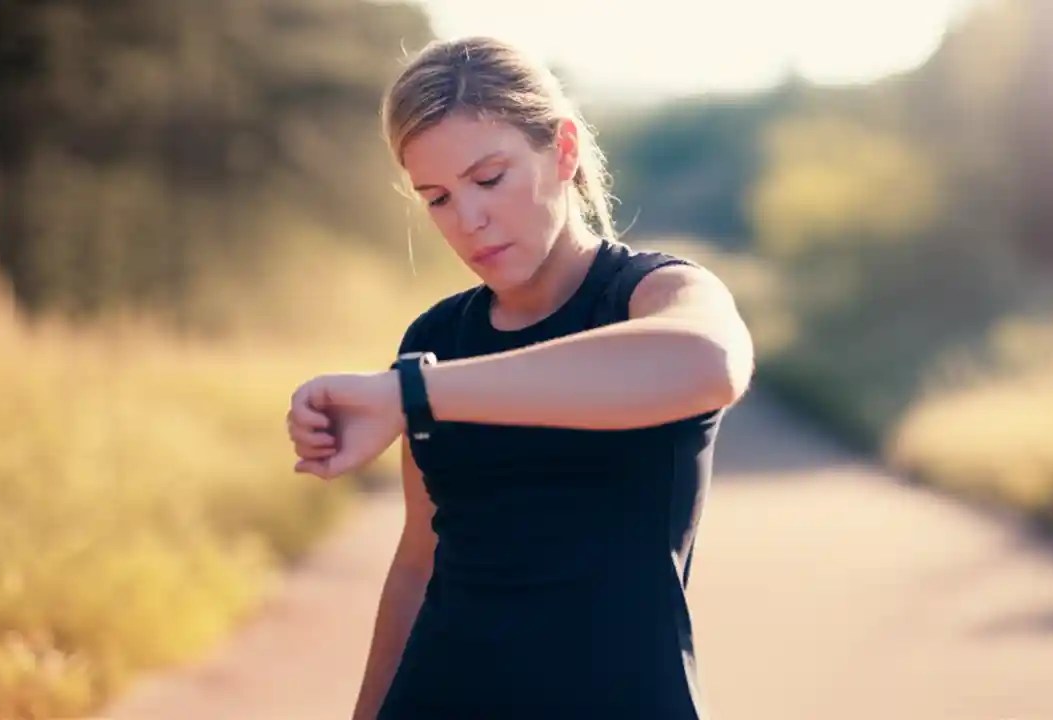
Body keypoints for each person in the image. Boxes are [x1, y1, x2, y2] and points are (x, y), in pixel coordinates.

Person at [285, 35, 753, 720]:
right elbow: (419, 561)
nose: (468, 220)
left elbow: (710, 363)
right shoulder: (435, 341)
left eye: (489, 178)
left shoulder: (652, 296)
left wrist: (410, 393)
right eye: (437, 198)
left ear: (563, 152)